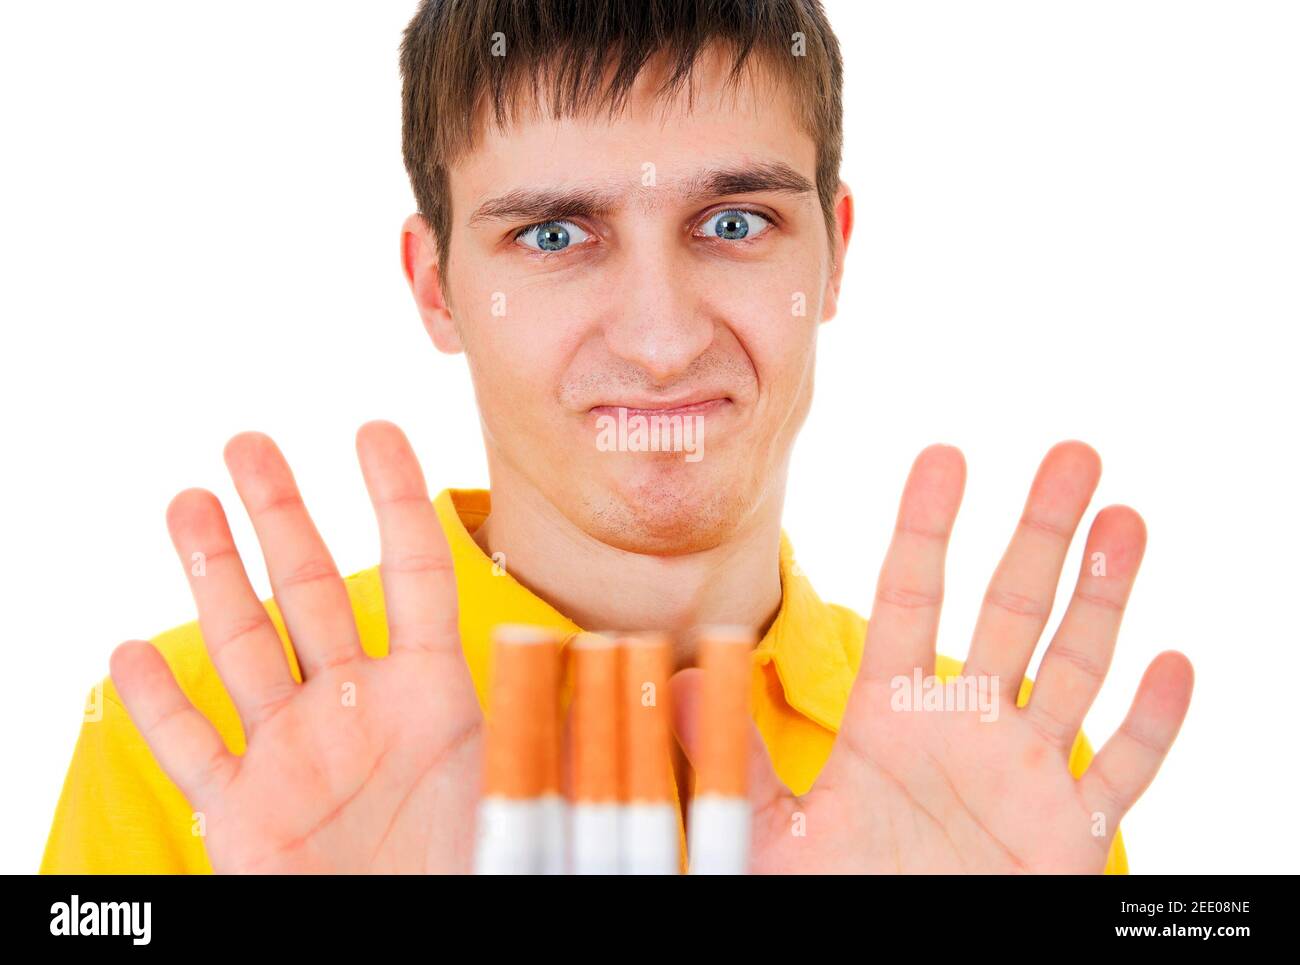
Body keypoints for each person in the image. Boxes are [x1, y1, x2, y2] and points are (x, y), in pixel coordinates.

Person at [40, 0, 1193, 874]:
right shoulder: (212, 739)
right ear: (435, 288)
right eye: (553, 234)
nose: (658, 338)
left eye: (733, 221)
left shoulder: (993, 762)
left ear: (832, 254)